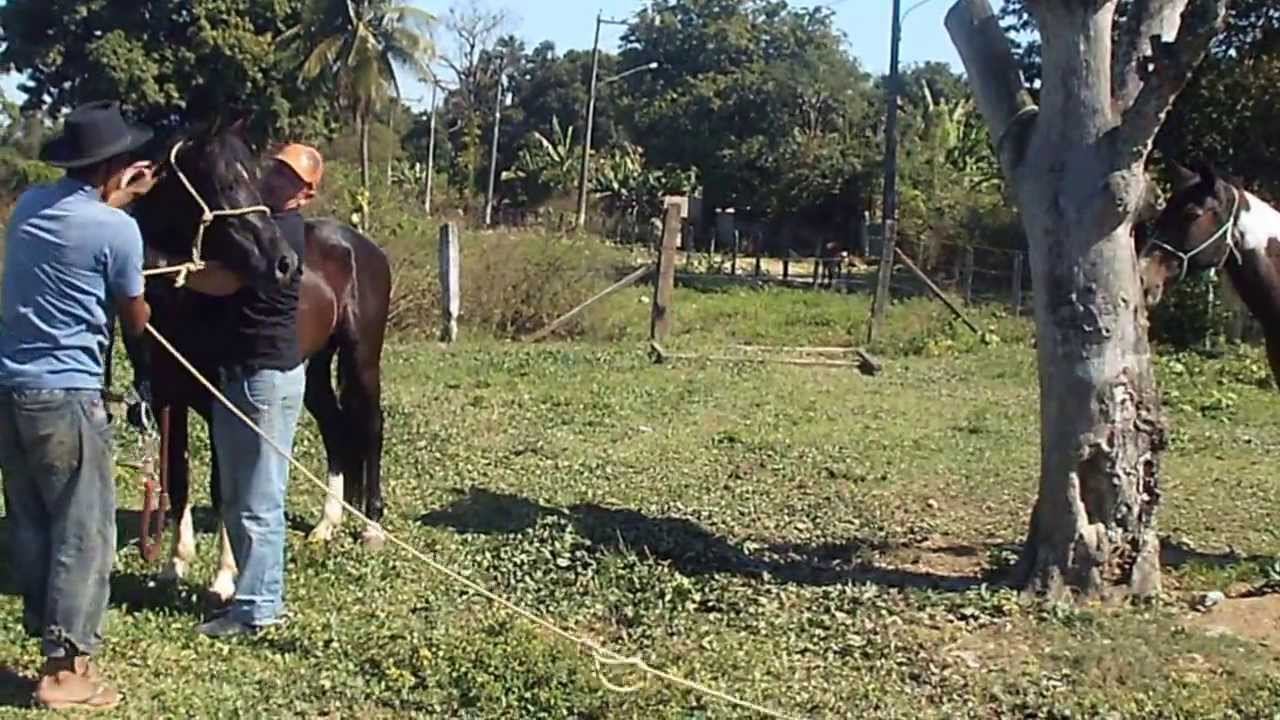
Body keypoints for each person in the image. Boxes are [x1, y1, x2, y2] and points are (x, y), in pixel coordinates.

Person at [0, 100, 157, 711]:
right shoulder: (118, 231)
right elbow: (134, 315)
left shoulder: (31, 205)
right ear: (115, 165)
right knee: (85, 530)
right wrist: (122, 211)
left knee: (33, 521)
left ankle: (50, 638)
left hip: (12, 389)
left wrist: (115, 197)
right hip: (67, 395)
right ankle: (63, 673)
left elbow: (78, 227)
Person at [189, 143, 322, 638]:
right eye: (276, 170)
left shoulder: (280, 233)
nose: (275, 179)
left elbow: (223, 282)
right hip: (238, 374)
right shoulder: (259, 222)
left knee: (260, 499)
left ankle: (259, 609)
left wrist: (171, 271)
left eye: (289, 179)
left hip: (265, 378)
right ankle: (249, 596)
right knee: (236, 495)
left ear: (305, 195)